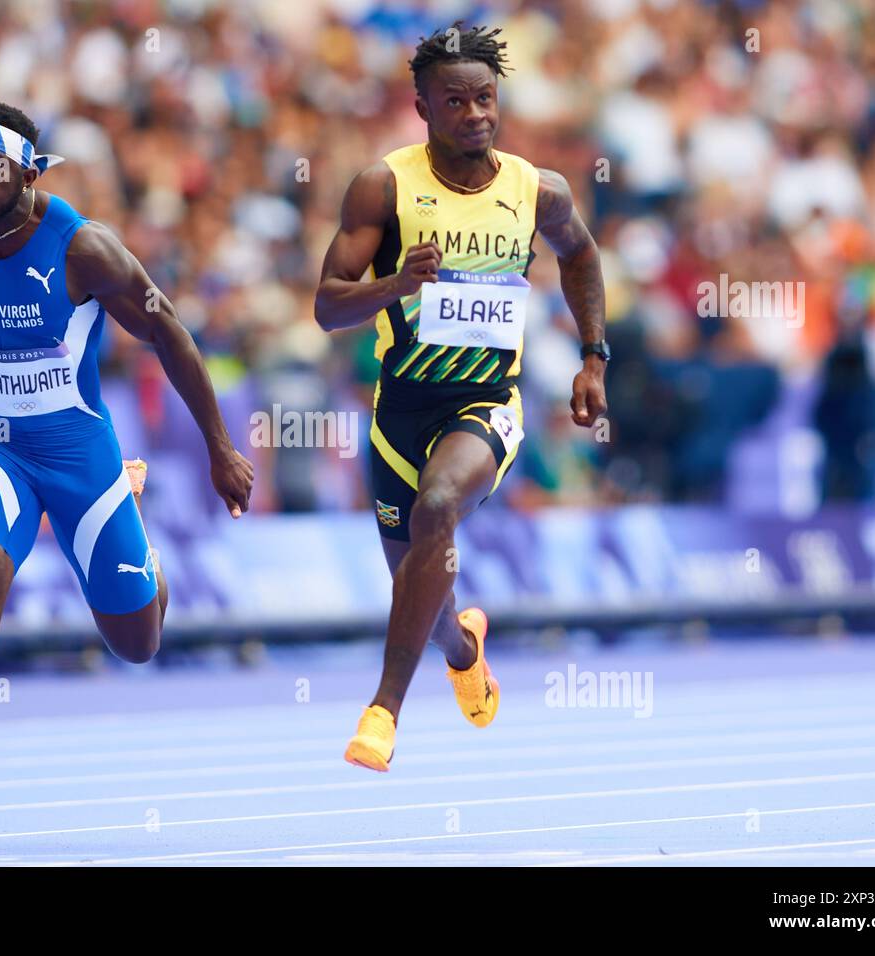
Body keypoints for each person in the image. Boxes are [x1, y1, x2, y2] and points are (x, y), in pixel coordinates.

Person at [0, 101, 253, 851]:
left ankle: (140, 546)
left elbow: (168, 331)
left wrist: (220, 447)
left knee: (135, 643)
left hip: (81, 454)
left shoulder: (86, 250)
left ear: (30, 174)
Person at [314, 24, 609, 770]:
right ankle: (463, 648)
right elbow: (327, 305)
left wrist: (592, 357)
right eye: (456, 101)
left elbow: (580, 255)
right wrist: (396, 285)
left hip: (486, 404)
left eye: (486, 98)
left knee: (439, 506)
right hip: (398, 415)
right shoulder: (384, 186)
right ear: (422, 107)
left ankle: (383, 710)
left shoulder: (536, 189)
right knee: (425, 588)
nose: (476, 113)